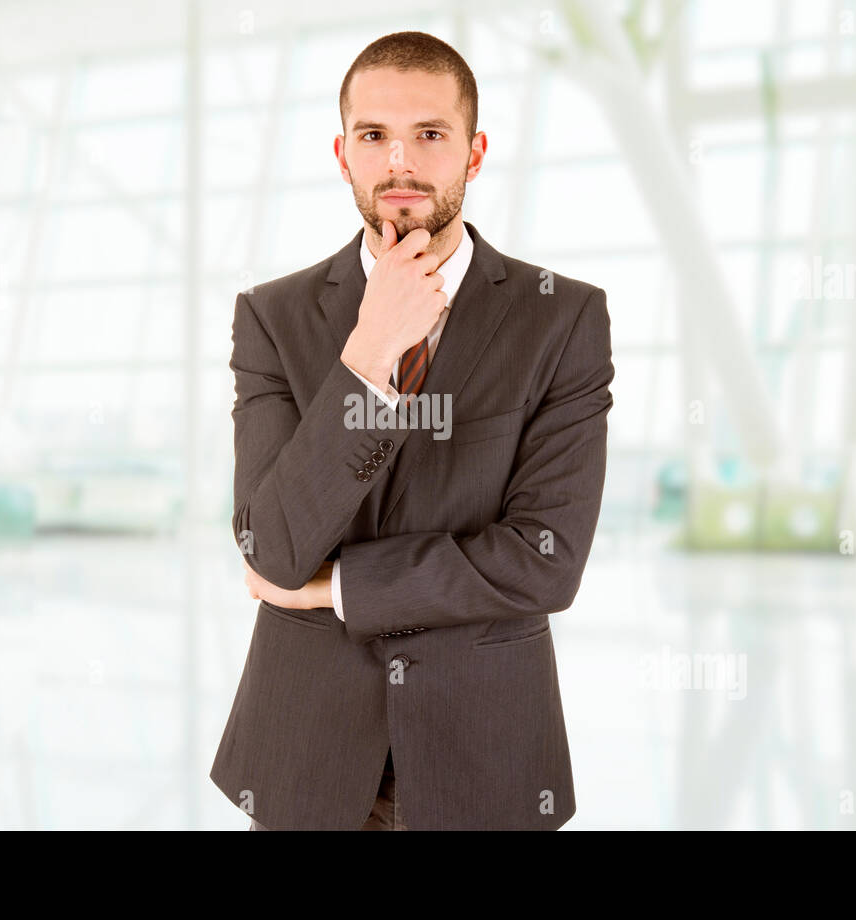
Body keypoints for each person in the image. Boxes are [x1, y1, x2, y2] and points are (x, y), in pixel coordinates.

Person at [211, 30, 613, 830]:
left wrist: (338, 588)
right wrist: (368, 356)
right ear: (343, 153)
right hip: (304, 765)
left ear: (474, 152)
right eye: (374, 136)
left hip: (486, 763)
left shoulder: (561, 318)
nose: (401, 161)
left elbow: (546, 561)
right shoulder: (272, 318)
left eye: (430, 135)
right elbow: (274, 549)